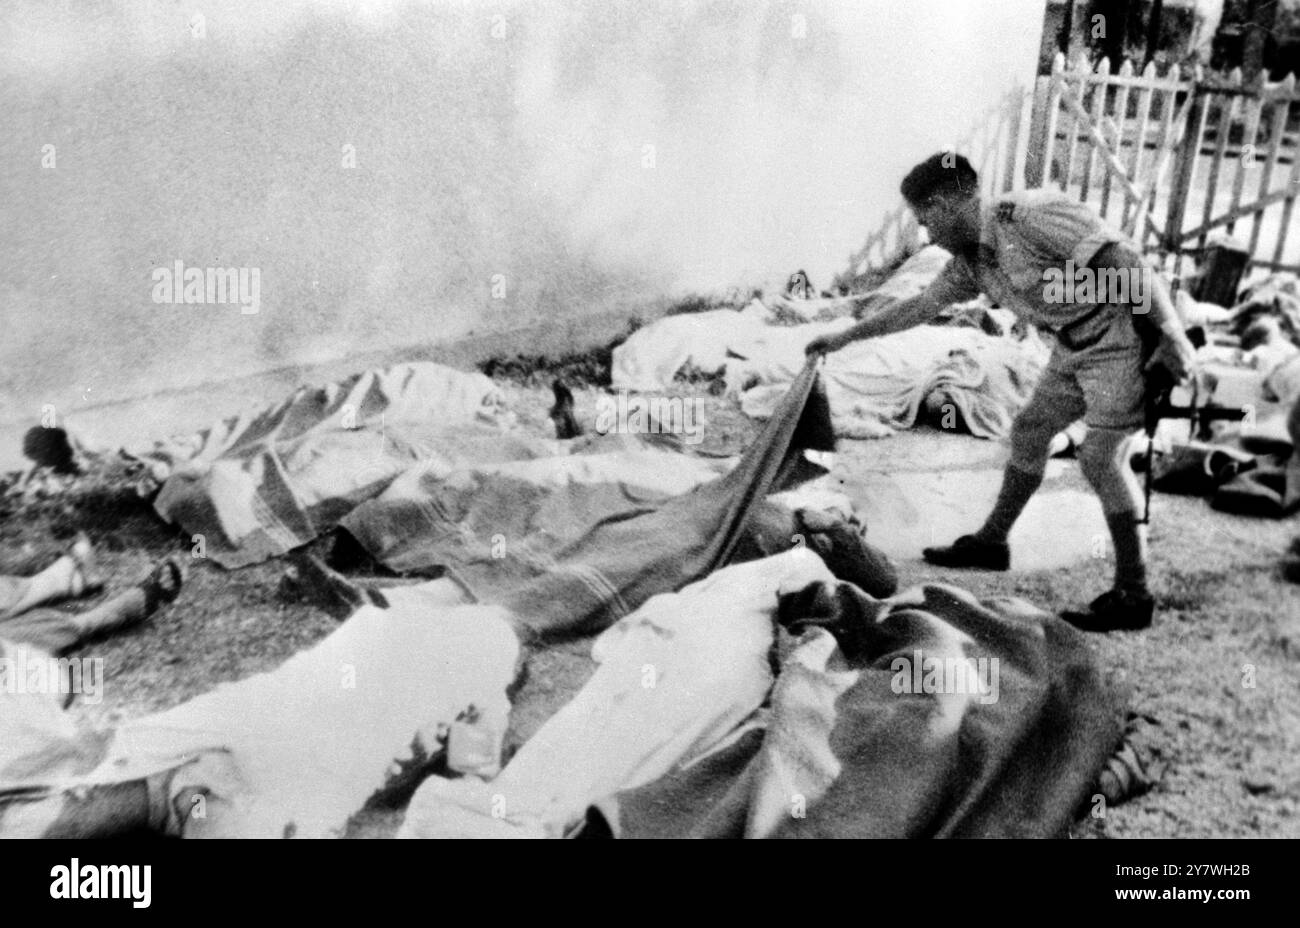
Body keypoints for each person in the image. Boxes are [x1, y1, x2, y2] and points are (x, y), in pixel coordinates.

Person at [805, 153, 1197, 632]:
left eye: (924, 217)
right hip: (1071, 345)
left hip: (1122, 337)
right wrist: (844, 337)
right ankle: (992, 542)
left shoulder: (1028, 216)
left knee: (1101, 458)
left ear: (946, 204)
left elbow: (1121, 260)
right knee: (1030, 430)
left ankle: (1134, 593)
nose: (925, 232)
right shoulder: (972, 261)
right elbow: (919, 306)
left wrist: (1172, 334)